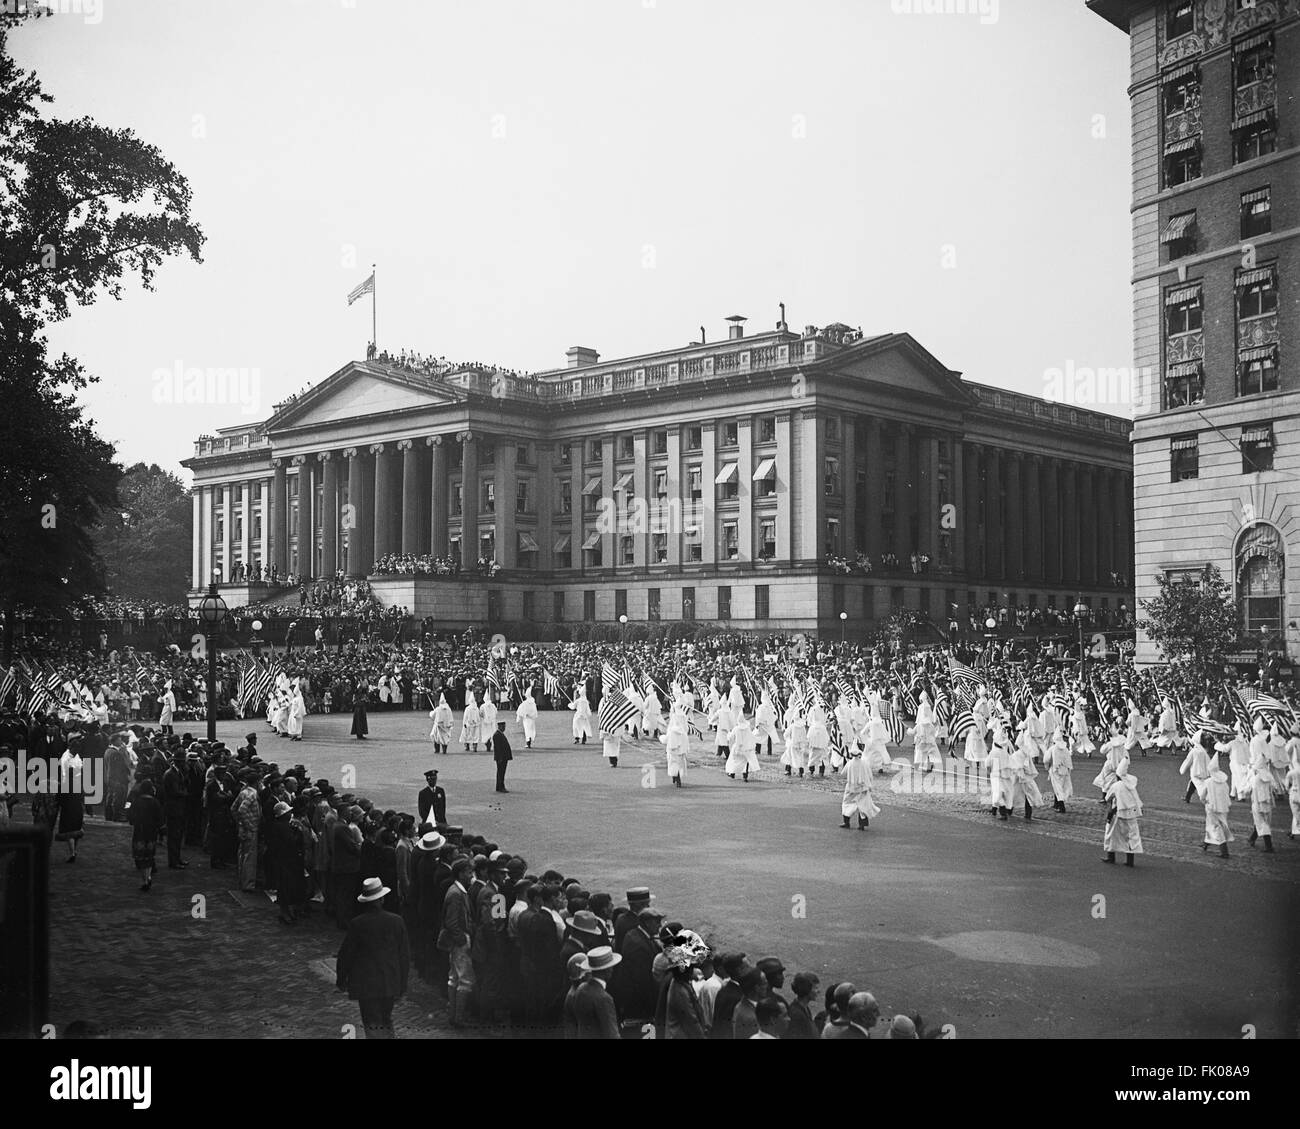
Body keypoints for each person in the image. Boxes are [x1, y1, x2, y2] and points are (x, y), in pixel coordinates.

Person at [336, 877, 411, 1039]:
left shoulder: (358, 924)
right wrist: (402, 984)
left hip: (366, 983)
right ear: (382, 899)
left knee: (371, 1021)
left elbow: (346, 954)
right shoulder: (396, 921)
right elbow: (404, 956)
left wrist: (341, 979)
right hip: (389, 981)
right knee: (385, 1018)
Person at [438, 857, 476, 1027]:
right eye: (469, 872)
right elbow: (452, 922)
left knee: (454, 978)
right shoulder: (456, 894)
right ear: (461, 874)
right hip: (460, 941)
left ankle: (454, 1015)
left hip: (456, 941)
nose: (471, 875)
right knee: (465, 979)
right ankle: (458, 1018)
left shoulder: (456, 891)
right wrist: (462, 940)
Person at [572, 947, 621, 1039]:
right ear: (607, 970)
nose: (612, 970)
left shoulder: (581, 989)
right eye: (611, 967)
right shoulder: (604, 998)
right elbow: (612, 1035)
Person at [1102, 756, 1143, 867]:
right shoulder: (1132, 785)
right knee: (1131, 836)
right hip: (1132, 814)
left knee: (1110, 834)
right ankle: (1130, 860)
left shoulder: (1116, 786)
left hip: (1117, 813)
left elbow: (1108, 798)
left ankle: (1111, 856)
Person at [127, 778, 164, 892]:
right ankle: (148, 877)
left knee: (141, 857)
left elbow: (130, 816)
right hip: (151, 832)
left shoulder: (136, 801)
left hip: (139, 832)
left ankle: (145, 880)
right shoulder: (155, 802)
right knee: (149, 857)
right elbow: (160, 819)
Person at [840, 747, 879, 830]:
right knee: (863, 805)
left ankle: (846, 822)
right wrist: (870, 785)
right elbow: (870, 775)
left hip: (851, 788)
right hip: (863, 788)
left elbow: (843, 773)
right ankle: (862, 825)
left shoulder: (849, 763)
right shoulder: (865, 763)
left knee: (847, 804)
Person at [1201, 766, 1233, 859]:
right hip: (1223, 808)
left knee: (1215, 827)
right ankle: (1206, 843)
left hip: (1212, 808)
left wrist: (1205, 802)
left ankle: (1224, 851)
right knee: (1216, 826)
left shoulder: (1208, 782)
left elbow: (1202, 796)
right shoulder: (1224, 783)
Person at [785, 972, 820, 1039]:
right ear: (806, 989)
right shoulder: (796, 1014)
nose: (818, 991)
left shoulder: (804, 1007)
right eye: (815, 988)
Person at [490, 720, 512, 793]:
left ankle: (499, 786)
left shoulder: (500, 734)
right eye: (503, 726)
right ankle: (500, 786)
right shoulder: (497, 735)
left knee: (501, 772)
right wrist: (500, 758)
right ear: (499, 726)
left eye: (504, 726)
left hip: (503, 757)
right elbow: (498, 748)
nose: (504, 728)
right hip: (501, 758)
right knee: (501, 773)